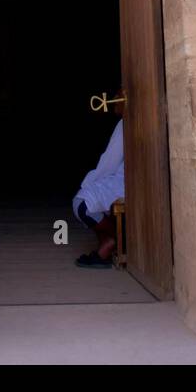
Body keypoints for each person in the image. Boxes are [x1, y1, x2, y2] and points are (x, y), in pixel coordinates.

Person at [72, 90, 124, 268]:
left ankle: (119, 240)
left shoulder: (126, 124)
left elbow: (111, 160)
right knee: (93, 202)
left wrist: (90, 182)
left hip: (125, 183)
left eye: (119, 94)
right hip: (123, 182)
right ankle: (107, 245)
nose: (115, 99)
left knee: (82, 204)